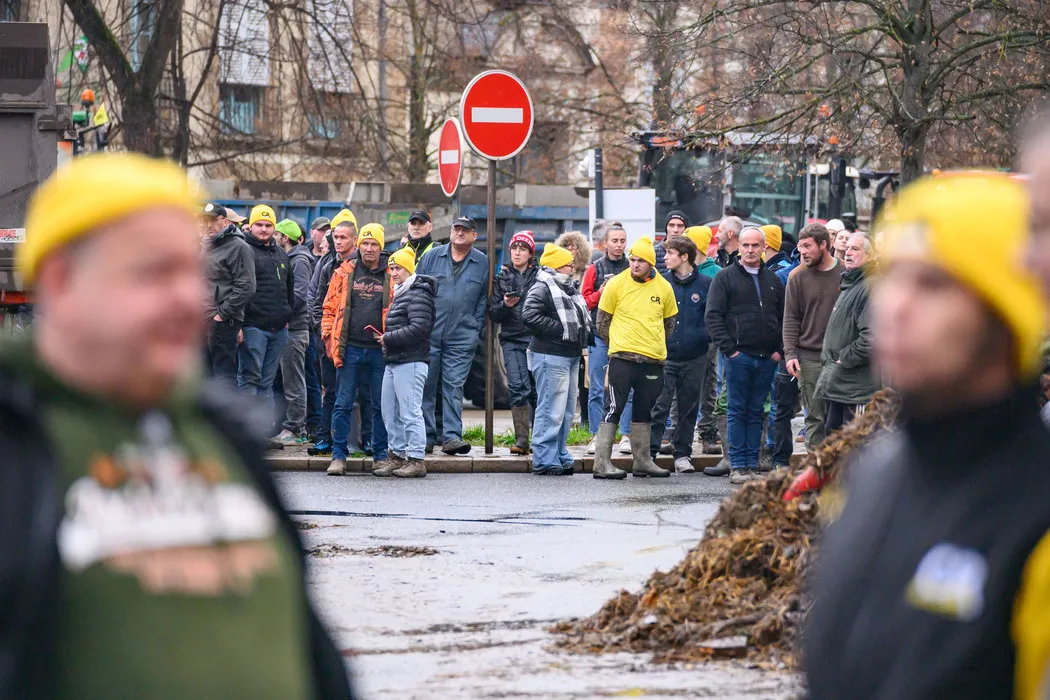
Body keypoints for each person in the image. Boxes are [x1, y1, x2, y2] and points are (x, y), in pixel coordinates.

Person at [0, 152, 352, 699]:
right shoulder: (16, 442)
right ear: (62, 280)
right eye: (152, 273)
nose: (188, 298)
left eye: (189, 272)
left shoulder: (224, 435)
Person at [804, 172, 1050, 700]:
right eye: (894, 277)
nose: (895, 307)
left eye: (934, 284)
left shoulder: (1037, 516)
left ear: (1005, 312)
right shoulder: (873, 475)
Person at [591, 236, 678, 479]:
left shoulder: (664, 287)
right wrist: (619, 344)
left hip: (652, 360)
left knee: (644, 410)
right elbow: (602, 322)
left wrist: (651, 343)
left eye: (641, 260)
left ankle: (642, 461)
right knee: (613, 407)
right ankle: (601, 463)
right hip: (622, 358)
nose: (635, 264)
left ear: (651, 263)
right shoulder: (616, 284)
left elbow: (669, 324)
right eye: (632, 259)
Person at [704, 227, 784, 483]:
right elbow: (713, 316)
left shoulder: (773, 280)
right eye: (746, 245)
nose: (750, 250)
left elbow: (783, 317)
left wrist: (778, 351)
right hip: (739, 357)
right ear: (739, 247)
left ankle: (752, 464)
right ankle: (738, 465)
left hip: (767, 358)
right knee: (737, 410)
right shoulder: (725, 278)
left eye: (755, 245)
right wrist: (731, 351)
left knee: (757, 411)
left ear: (763, 248)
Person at [416, 216, 488, 455]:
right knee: (426, 387)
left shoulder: (482, 262)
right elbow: (417, 291)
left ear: (474, 235)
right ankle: (425, 437)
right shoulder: (431, 257)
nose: (459, 232)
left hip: (461, 337)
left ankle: (451, 437)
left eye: (465, 230)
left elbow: (483, 300)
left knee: (454, 387)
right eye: (456, 228)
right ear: (450, 232)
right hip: (430, 334)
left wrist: (474, 327)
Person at [322, 223, 391, 476]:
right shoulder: (343, 272)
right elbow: (329, 308)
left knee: (380, 405)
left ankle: (380, 455)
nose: (369, 248)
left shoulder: (391, 274)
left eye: (374, 244)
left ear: (381, 247)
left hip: (379, 351)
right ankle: (338, 456)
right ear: (359, 245)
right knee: (343, 403)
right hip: (349, 348)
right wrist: (328, 337)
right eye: (365, 243)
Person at [522, 243, 590, 475]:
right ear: (556, 266)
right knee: (551, 409)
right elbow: (529, 315)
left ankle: (559, 453)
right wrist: (561, 330)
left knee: (566, 411)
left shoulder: (567, 287)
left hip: (568, 355)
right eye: (568, 264)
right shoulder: (543, 286)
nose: (573, 267)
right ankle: (544, 459)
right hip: (550, 354)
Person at [648, 237, 711, 473]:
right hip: (665, 356)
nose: (665, 257)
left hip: (695, 356)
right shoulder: (661, 282)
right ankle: (650, 453)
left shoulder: (706, 284)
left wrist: (701, 336)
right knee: (659, 406)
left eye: (670, 253)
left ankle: (682, 454)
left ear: (684, 257)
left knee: (688, 408)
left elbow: (712, 316)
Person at [375, 246, 435, 478]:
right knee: (390, 412)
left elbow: (420, 328)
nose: (394, 273)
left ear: (409, 270)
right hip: (394, 360)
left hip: (411, 361)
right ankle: (397, 456)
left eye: (398, 268)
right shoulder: (401, 293)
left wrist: (387, 338)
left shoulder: (419, 294)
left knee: (410, 412)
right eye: (391, 268)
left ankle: (417, 459)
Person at [782, 223, 841, 453]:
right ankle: (815, 468)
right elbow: (790, 319)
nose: (802, 252)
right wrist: (790, 354)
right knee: (815, 419)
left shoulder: (845, 273)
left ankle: (837, 469)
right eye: (800, 246)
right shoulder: (797, 276)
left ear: (823, 244)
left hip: (840, 359)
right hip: (809, 358)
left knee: (839, 421)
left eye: (807, 246)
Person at [815, 232, 878, 432]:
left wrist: (844, 358)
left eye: (855, 249)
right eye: (847, 248)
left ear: (870, 256)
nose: (848, 253)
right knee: (833, 439)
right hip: (841, 383)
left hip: (857, 388)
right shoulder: (852, 283)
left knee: (854, 443)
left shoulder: (871, 286)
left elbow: (871, 338)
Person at [239, 204, 295, 424]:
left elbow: (289, 288)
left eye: (268, 225)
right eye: (259, 224)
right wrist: (240, 324)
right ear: (251, 226)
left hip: (278, 330)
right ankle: (245, 429)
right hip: (253, 327)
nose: (263, 229)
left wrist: (287, 316)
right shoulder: (244, 250)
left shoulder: (281, 254)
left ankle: (262, 431)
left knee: (267, 382)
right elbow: (239, 288)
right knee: (250, 379)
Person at [307, 211, 356, 455]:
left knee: (359, 393)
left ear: (354, 240)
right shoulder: (326, 265)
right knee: (330, 390)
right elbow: (317, 301)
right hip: (328, 339)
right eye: (335, 237)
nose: (338, 241)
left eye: (343, 237)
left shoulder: (361, 266)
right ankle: (325, 437)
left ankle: (360, 440)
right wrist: (322, 331)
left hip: (354, 340)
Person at [581, 222, 633, 446]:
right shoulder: (594, 268)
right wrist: (601, 292)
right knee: (596, 388)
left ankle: (626, 435)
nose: (619, 245)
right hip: (599, 335)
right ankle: (596, 435)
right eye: (615, 241)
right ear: (605, 244)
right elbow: (584, 302)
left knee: (628, 389)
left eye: (622, 241)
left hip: (627, 335)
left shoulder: (632, 267)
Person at [489, 230, 539, 455]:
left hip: (536, 340)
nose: (517, 252)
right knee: (518, 387)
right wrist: (505, 305)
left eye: (523, 249)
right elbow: (493, 313)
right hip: (511, 339)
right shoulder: (501, 278)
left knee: (537, 390)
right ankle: (522, 440)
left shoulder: (540, 276)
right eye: (514, 248)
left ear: (530, 253)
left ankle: (539, 438)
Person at [201, 202, 255, 384]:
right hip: (203, 318)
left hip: (222, 321)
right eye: (205, 221)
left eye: (213, 221)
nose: (209, 225)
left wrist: (222, 315)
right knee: (204, 378)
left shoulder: (238, 247)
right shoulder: (206, 245)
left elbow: (247, 286)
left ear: (225, 221)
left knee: (223, 377)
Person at [273, 219, 315, 445]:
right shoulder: (287, 258)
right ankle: (287, 424)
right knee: (285, 381)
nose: (273, 238)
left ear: (285, 237)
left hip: (295, 329)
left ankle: (297, 429)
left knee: (294, 381)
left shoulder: (299, 261)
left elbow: (299, 296)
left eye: (276, 234)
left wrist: (280, 315)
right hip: (285, 328)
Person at [685, 224, 723, 456]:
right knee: (681, 389)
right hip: (683, 339)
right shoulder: (681, 270)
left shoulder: (716, 273)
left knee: (708, 386)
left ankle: (707, 433)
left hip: (708, 340)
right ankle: (677, 433)